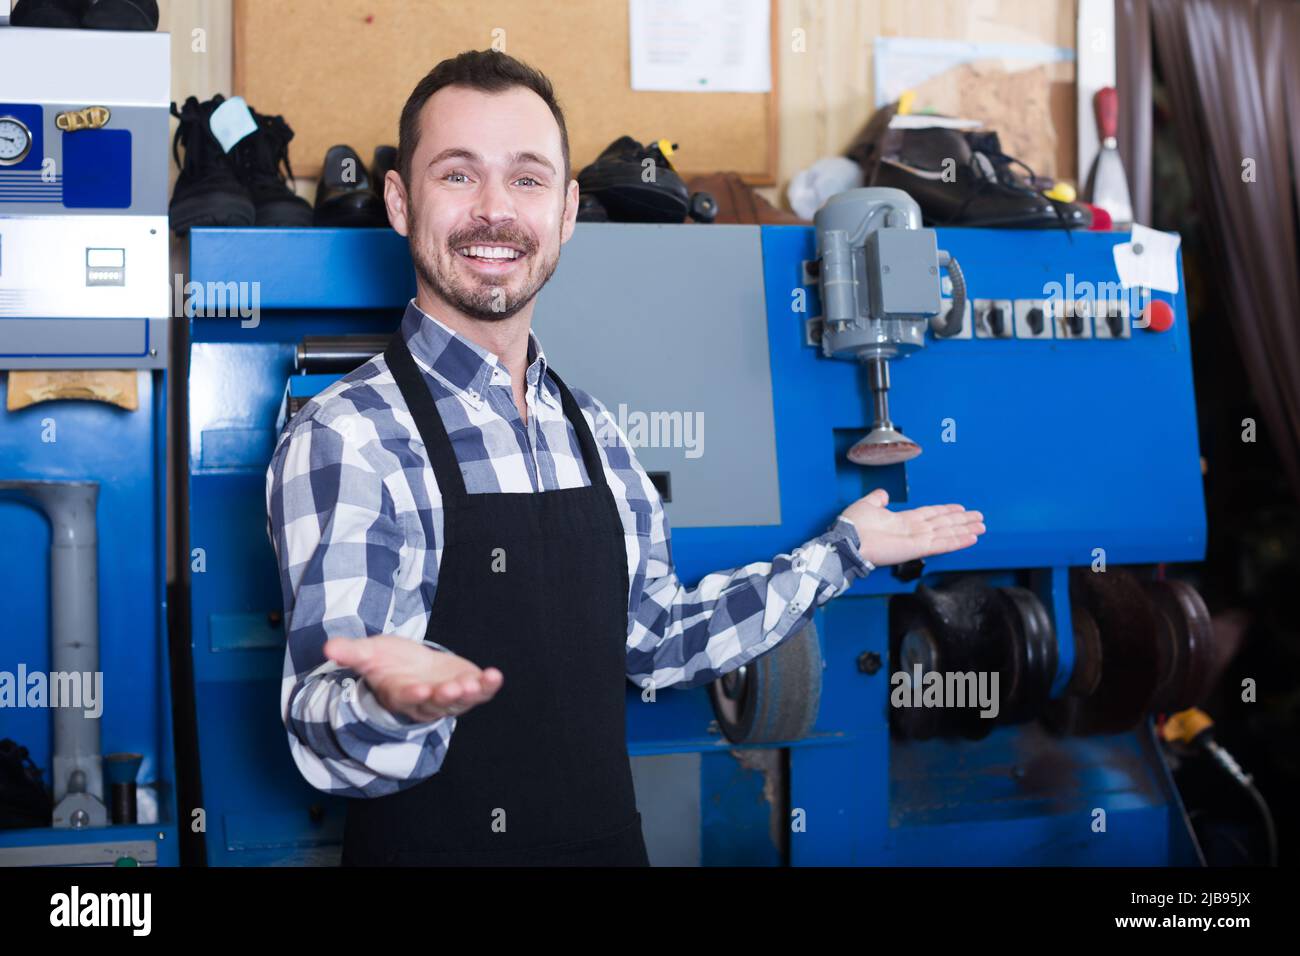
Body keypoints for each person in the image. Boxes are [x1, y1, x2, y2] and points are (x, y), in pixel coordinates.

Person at [265, 49, 986, 867]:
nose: (495, 211)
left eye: (529, 179)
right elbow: (322, 729)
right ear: (400, 200)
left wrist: (842, 553)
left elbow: (657, 640)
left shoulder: (594, 432)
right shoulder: (348, 433)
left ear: (567, 211)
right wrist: (387, 704)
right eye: (458, 175)